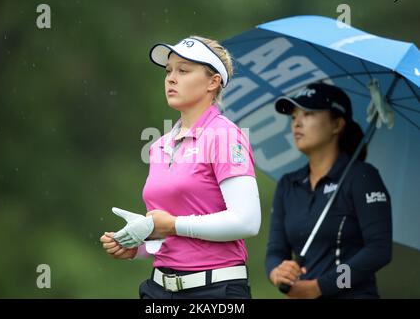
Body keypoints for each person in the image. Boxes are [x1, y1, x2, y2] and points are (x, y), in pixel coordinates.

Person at [100, 36, 261, 299]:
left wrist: (173, 224)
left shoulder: (226, 136)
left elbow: (247, 221)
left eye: (183, 70)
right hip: (159, 289)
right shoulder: (159, 145)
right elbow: (168, 229)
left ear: (213, 82)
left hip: (215, 291)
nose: (171, 78)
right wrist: (139, 245)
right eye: (168, 71)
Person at [265, 83, 392, 299]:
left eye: (308, 113)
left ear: (337, 124)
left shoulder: (362, 177)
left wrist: (321, 287)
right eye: (294, 116)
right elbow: (276, 250)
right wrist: (278, 272)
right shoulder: (288, 184)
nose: (297, 123)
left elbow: (379, 250)